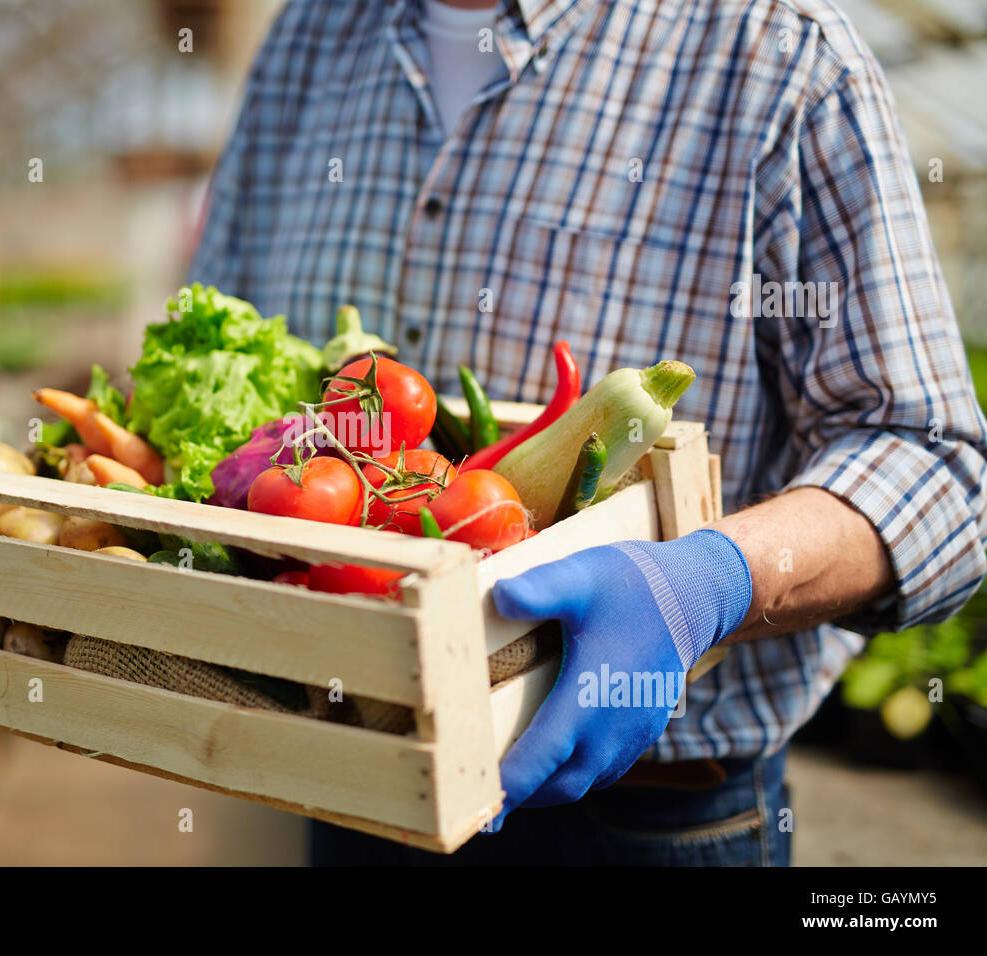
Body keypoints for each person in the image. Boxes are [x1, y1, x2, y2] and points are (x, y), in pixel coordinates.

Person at [189, 0, 987, 865]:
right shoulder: (311, 32)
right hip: (350, 785)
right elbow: (232, 345)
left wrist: (703, 587)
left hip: (645, 821)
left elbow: (937, 465)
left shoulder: (782, 51)